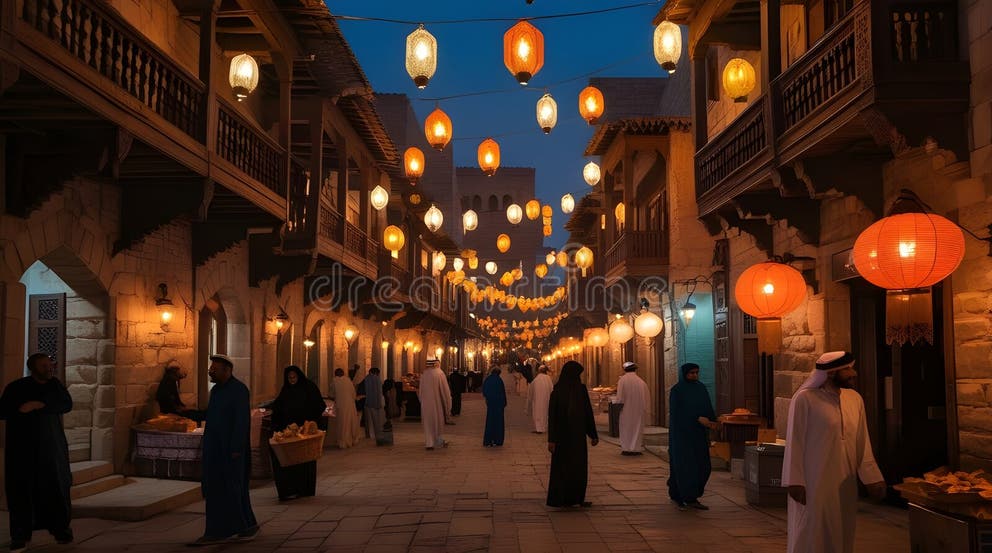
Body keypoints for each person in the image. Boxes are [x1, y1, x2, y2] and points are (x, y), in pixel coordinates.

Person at [783, 352, 885, 553]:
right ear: (830, 373)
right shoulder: (805, 399)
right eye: (847, 369)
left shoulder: (854, 399)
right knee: (811, 531)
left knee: (843, 530)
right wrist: (794, 480)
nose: (853, 373)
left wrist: (872, 478)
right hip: (813, 482)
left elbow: (862, 442)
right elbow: (795, 442)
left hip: (844, 483)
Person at [0, 353, 74, 551]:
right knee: (21, 491)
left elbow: (66, 404)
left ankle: (61, 530)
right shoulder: (16, 388)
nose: (49, 368)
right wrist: (22, 408)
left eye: (50, 365)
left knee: (56, 488)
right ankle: (20, 536)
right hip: (22, 451)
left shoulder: (55, 386)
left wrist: (40, 405)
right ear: (33, 368)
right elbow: (3, 410)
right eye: (44, 366)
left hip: (51, 449)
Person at [191, 354, 258, 545]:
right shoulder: (217, 391)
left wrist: (236, 448)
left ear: (227, 370)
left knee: (232, 488)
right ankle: (239, 527)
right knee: (216, 488)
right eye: (210, 368)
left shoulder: (239, 390)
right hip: (215, 448)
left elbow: (241, 422)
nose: (210, 371)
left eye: (215, 368)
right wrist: (185, 412)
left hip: (230, 451)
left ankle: (230, 529)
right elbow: (211, 415)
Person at [268, 366, 325, 501]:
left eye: (294, 377)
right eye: (289, 378)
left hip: (304, 433)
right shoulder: (286, 390)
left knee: (304, 463)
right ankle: (289, 490)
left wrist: (308, 423)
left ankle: (305, 490)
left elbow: (318, 405)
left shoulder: (308, 387)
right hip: (289, 433)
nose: (292, 380)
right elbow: (279, 407)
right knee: (288, 462)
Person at [546, 361, 598, 508]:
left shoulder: (569, 389)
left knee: (570, 468)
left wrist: (592, 434)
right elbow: (554, 416)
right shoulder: (566, 390)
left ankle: (571, 498)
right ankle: (568, 498)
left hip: (569, 436)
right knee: (572, 468)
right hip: (571, 437)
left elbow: (586, 413)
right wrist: (592, 434)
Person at [668, 362, 718, 511]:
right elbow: (676, 413)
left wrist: (712, 421)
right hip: (682, 435)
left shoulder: (700, 388)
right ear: (685, 374)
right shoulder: (677, 390)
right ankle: (689, 498)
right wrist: (696, 418)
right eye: (691, 373)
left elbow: (707, 406)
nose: (694, 375)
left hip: (699, 434)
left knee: (703, 466)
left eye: (696, 372)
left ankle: (679, 492)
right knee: (685, 466)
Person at [616, 361, 650, 456]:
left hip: (626, 409)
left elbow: (620, 398)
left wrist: (617, 405)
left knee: (626, 428)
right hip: (639, 410)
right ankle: (635, 448)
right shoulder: (641, 381)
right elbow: (646, 397)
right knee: (637, 428)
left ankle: (626, 448)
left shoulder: (622, 380)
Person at [418, 358, 452, 450]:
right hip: (437, 403)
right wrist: (448, 403)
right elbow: (445, 390)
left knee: (428, 422)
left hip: (426, 403)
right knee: (437, 421)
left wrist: (422, 400)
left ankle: (429, 442)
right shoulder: (439, 373)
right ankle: (438, 440)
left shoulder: (424, 375)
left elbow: (420, 391)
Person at [332, 368, 361, 448]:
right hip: (350, 406)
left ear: (335, 374)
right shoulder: (348, 381)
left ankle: (343, 442)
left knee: (342, 424)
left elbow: (331, 394)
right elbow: (354, 394)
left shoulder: (334, 381)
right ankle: (352, 440)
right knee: (351, 422)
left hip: (341, 406)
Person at [482, 368, 507, 447]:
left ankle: (488, 440)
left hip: (491, 404)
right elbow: (503, 393)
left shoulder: (488, 380)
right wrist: (504, 403)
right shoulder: (499, 380)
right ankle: (498, 440)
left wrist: (488, 398)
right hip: (499, 405)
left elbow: (484, 391)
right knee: (498, 422)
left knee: (490, 421)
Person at [525, 365, 553, 434]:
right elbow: (552, 390)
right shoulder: (549, 379)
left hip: (537, 401)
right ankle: (543, 428)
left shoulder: (536, 380)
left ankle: (538, 429)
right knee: (545, 414)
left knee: (538, 414)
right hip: (546, 401)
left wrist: (529, 402)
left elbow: (530, 392)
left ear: (539, 371)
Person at [364, 367, 387, 445]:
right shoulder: (377, 379)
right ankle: (377, 434)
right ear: (377, 373)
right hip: (376, 403)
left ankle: (369, 434)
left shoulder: (366, 378)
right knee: (377, 420)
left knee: (369, 420)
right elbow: (378, 392)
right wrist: (379, 404)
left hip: (368, 402)